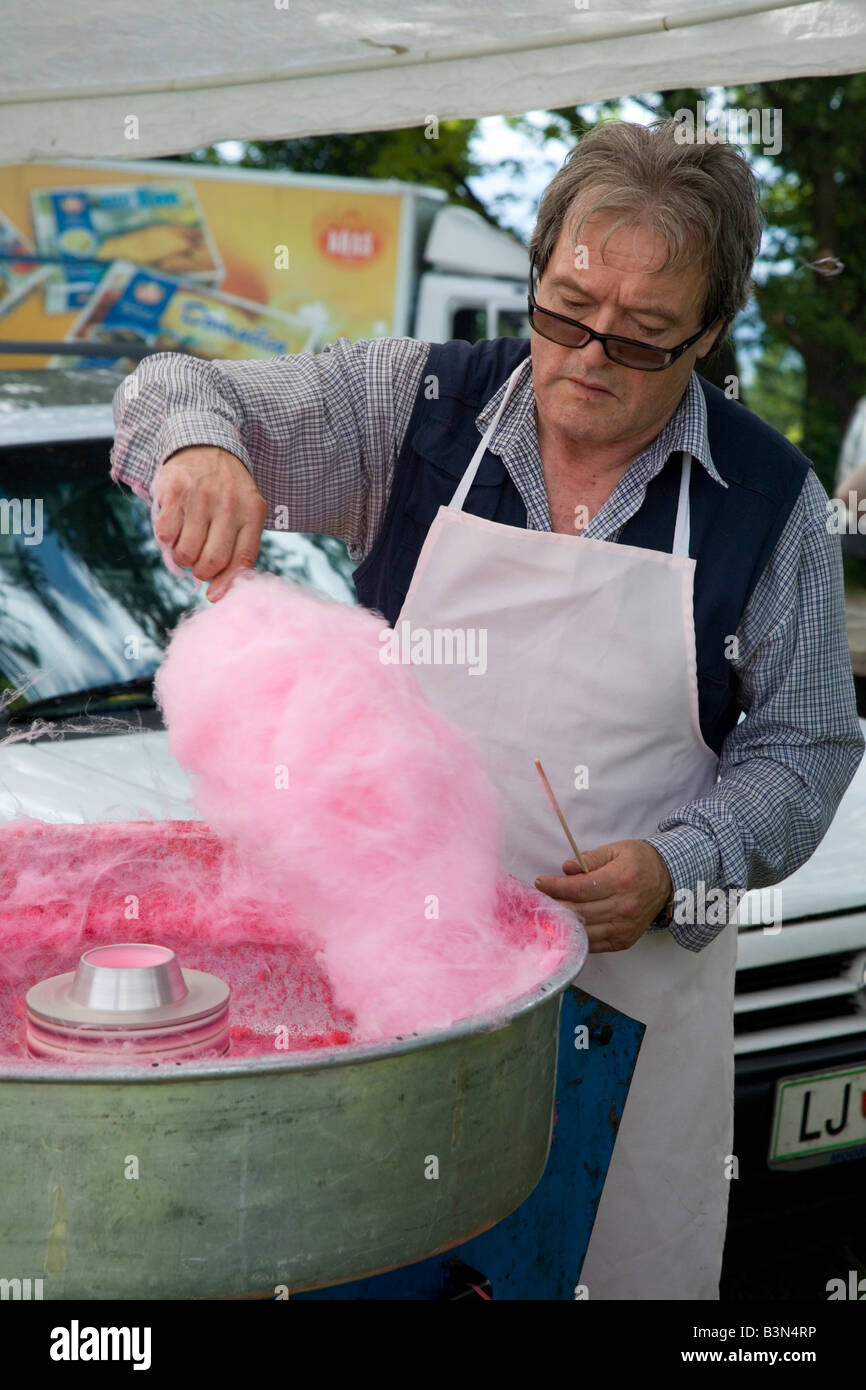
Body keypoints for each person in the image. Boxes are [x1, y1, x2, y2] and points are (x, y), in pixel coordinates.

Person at [110, 118, 865, 1300]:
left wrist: (681, 863)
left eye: (643, 337)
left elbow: (805, 746)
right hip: (395, 1016)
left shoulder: (767, 504)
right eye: (563, 311)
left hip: (628, 1016)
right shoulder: (410, 412)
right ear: (537, 268)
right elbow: (174, 382)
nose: (588, 356)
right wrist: (202, 448)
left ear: (712, 333)